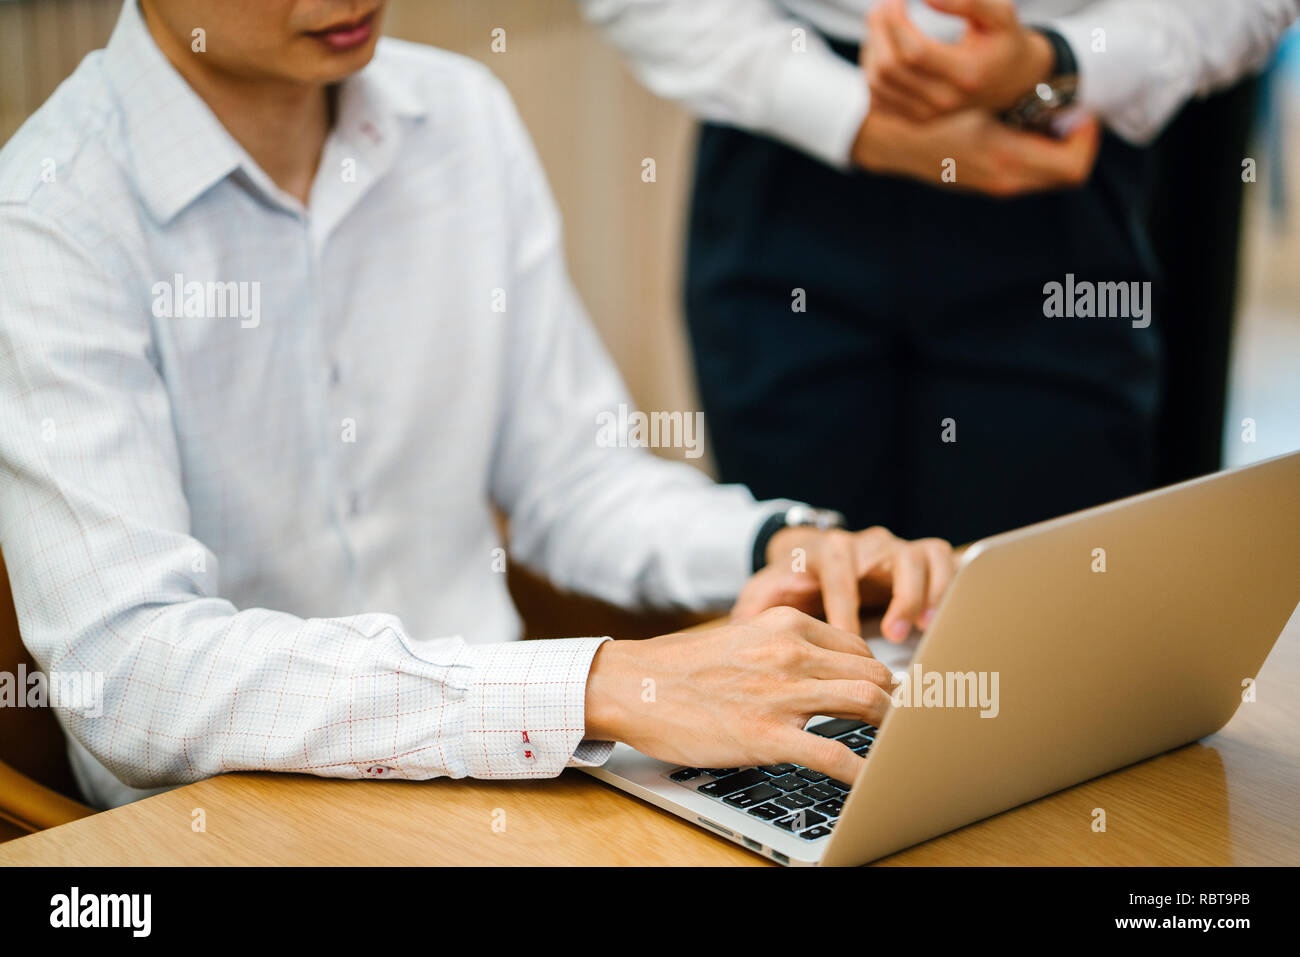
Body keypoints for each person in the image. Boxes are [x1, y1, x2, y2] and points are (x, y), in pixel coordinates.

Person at [0, 0, 957, 810]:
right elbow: (130, 674)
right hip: (233, 820)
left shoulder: (459, 116)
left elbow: (570, 478)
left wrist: (776, 545)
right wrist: (594, 686)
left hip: (509, 779)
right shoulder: (48, 219)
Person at [581, 0, 1300, 543]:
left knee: (1043, 633)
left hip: (1062, 150)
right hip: (788, 146)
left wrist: (1060, 68)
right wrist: (853, 118)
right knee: (812, 618)